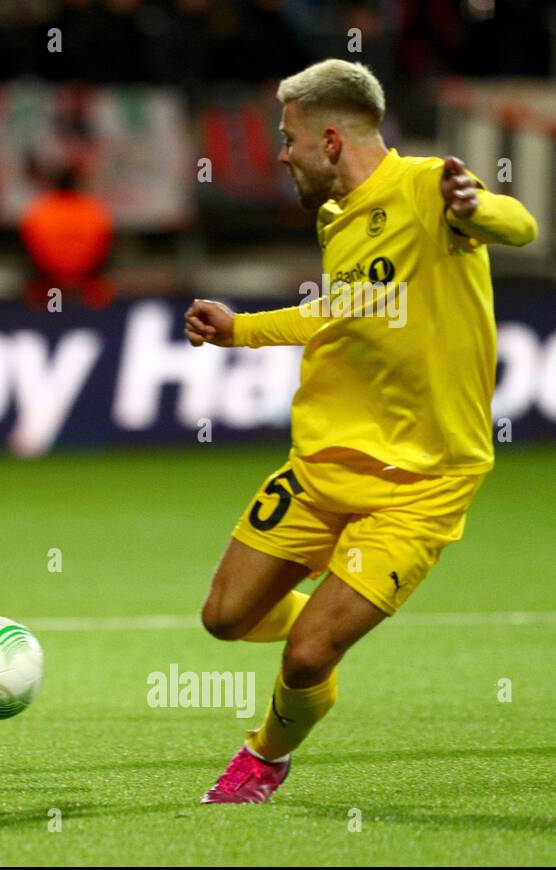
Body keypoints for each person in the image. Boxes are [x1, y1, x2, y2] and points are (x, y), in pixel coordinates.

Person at [184, 59, 535, 803]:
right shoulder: (336, 217)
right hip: (323, 465)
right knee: (224, 619)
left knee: (309, 656)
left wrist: (475, 205)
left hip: (422, 483)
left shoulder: (428, 186)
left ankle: (264, 758)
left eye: (289, 139)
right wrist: (242, 329)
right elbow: (342, 315)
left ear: (332, 141)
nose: (282, 153)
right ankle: (328, 611)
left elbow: (518, 223)